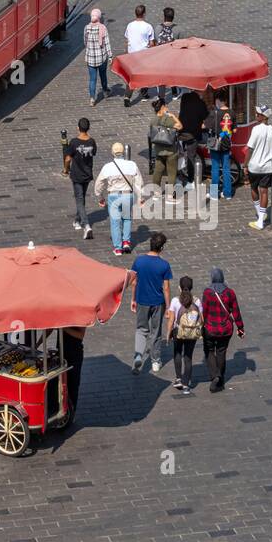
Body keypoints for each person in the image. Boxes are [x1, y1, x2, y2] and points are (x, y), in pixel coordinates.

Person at [130, 232, 172, 373]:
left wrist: (133, 299)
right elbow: (166, 288)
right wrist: (168, 306)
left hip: (142, 300)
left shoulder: (139, 261)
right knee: (156, 332)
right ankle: (155, 361)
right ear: (162, 247)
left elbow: (134, 282)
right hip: (158, 302)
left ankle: (138, 356)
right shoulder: (164, 265)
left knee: (141, 330)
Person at [95, 142, 144, 256]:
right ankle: (126, 241)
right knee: (126, 218)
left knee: (115, 221)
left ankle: (118, 248)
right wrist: (140, 197)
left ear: (112, 152)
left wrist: (100, 197)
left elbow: (99, 183)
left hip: (113, 195)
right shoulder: (132, 164)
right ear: (123, 152)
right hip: (128, 194)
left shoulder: (107, 167)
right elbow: (138, 183)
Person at [200, 268, 244, 392]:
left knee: (209, 350)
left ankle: (215, 375)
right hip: (225, 329)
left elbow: (204, 310)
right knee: (221, 351)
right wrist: (240, 327)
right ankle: (220, 378)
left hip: (210, 328)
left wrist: (201, 326)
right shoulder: (230, 292)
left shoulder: (208, 292)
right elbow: (236, 312)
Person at [165, 277, 203, 394]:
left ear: (179, 288)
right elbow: (202, 318)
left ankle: (178, 378)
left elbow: (171, 320)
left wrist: (168, 334)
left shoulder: (175, 301)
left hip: (178, 331)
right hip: (192, 332)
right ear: (191, 288)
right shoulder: (197, 301)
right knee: (188, 357)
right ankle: (186, 385)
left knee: (177, 353)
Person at [244, 105, 272, 230]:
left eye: (258, 114)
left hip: (254, 166)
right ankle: (261, 217)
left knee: (254, 188)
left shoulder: (256, 129)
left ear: (263, 117)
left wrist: (245, 165)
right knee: (264, 191)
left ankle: (260, 216)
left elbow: (250, 149)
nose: (256, 115)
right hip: (268, 167)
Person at [63, 117, 97, 238]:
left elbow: (67, 158)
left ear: (78, 128)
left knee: (79, 199)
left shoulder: (74, 142)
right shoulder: (92, 141)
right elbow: (93, 153)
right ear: (88, 128)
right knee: (81, 198)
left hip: (77, 174)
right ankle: (77, 220)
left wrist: (66, 169)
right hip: (87, 174)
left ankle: (86, 225)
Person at [122, 4, 155, 106]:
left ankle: (127, 96)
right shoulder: (148, 26)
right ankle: (144, 92)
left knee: (131, 76)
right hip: (143, 54)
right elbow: (152, 43)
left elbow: (127, 39)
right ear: (144, 14)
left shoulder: (130, 25)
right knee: (146, 75)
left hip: (132, 55)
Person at [149, 97, 182, 194]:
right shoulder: (167, 119)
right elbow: (180, 126)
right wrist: (173, 116)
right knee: (172, 173)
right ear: (163, 107)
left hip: (159, 150)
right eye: (166, 106)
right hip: (170, 151)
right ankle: (170, 195)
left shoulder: (153, 120)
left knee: (158, 170)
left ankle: (156, 192)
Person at [205, 91, 234, 201]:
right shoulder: (232, 113)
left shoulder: (214, 113)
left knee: (215, 169)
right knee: (226, 169)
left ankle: (214, 194)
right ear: (226, 101)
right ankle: (227, 194)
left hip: (215, 145)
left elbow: (205, 125)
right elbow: (234, 129)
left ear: (217, 100)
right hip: (226, 144)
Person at [83, 6, 111, 104]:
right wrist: (110, 56)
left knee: (92, 79)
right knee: (103, 75)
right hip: (101, 57)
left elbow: (85, 42)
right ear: (99, 17)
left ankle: (92, 98)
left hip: (90, 58)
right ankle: (105, 91)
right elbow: (106, 43)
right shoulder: (103, 28)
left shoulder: (86, 28)